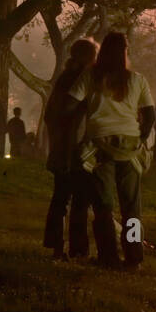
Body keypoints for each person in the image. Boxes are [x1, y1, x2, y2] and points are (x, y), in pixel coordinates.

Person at [68, 31, 154, 270]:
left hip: (99, 145)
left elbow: (70, 104)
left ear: (103, 51)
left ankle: (108, 257)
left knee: (103, 206)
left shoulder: (90, 77)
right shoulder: (137, 80)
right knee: (131, 207)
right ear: (125, 52)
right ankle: (134, 258)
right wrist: (141, 138)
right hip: (129, 145)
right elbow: (150, 115)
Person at [43, 38, 97, 259]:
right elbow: (77, 118)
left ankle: (57, 245)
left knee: (60, 197)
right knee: (80, 200)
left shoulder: (63, 79)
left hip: (60, 147)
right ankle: (78, 248)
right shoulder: (83, 81)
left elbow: (49, 115)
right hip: (76, 148)